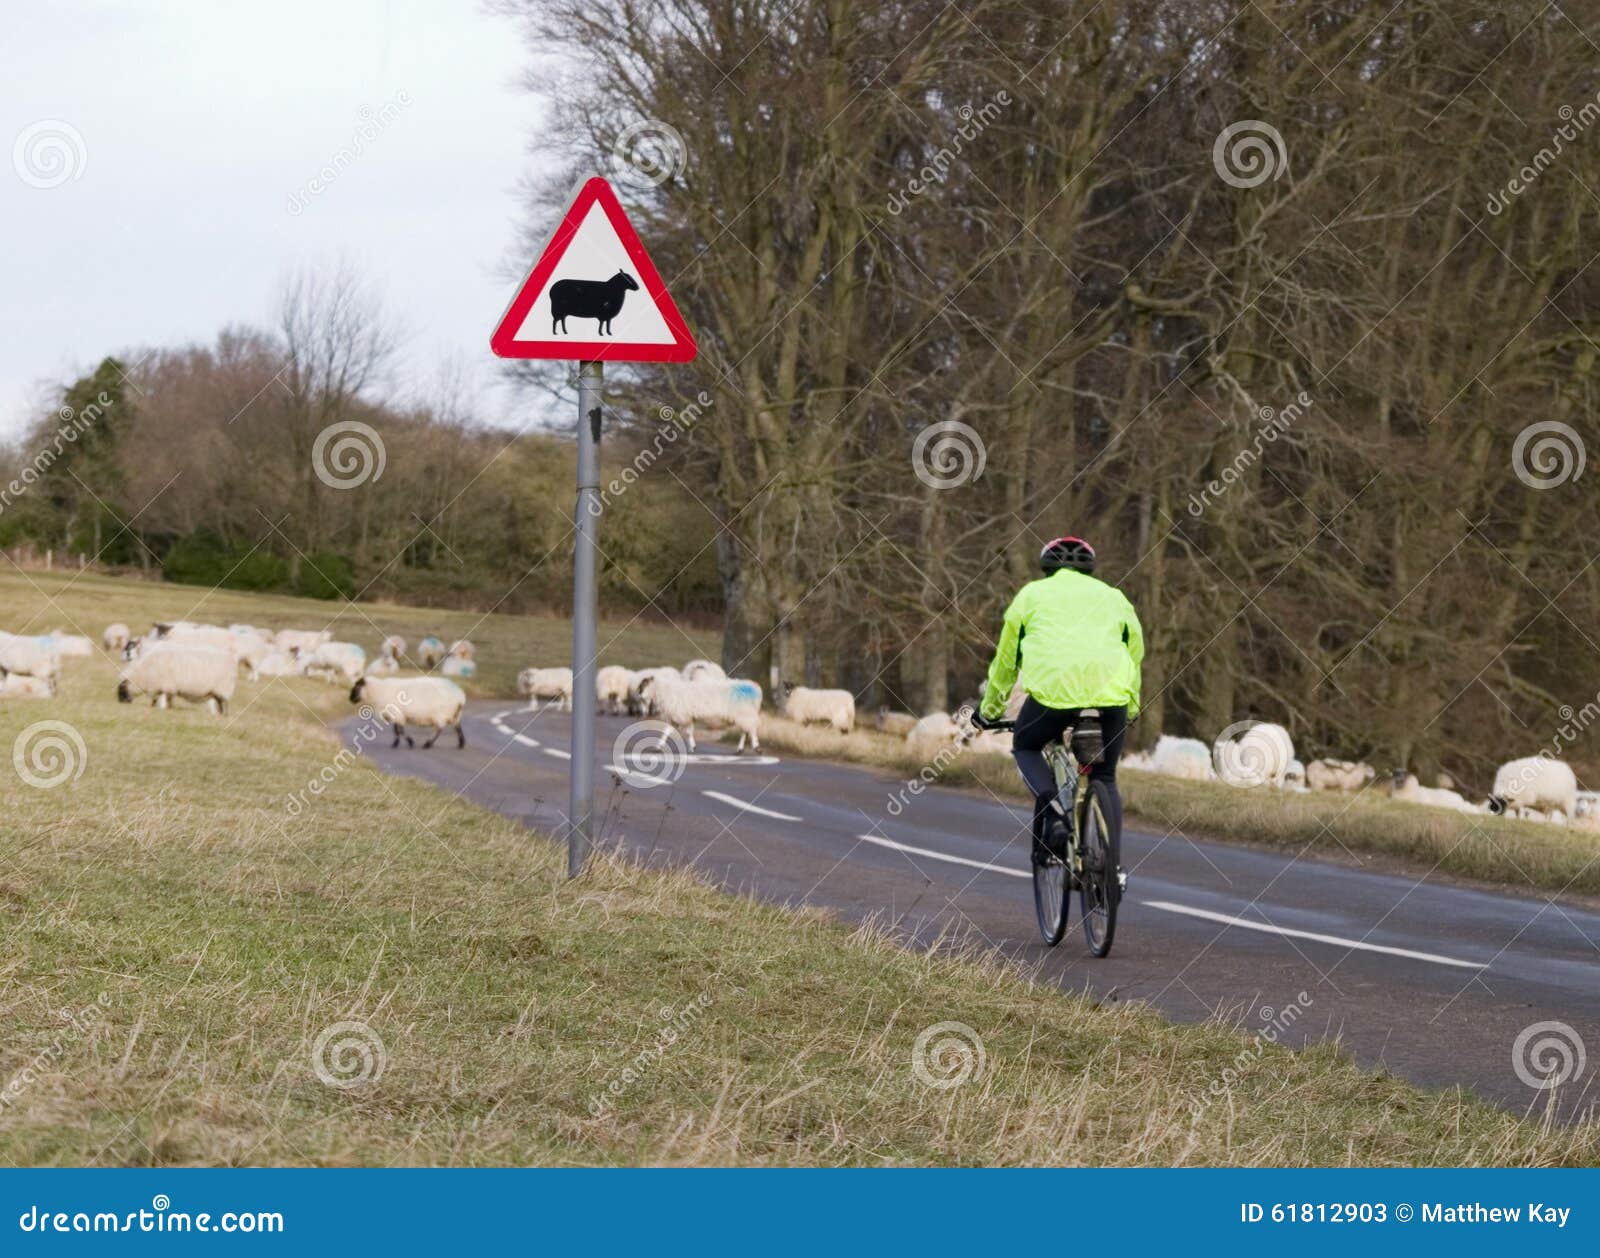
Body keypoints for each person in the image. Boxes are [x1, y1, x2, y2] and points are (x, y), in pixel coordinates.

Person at [975, 536, 1144, 866]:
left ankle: (1053, 812)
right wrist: (1131, 706)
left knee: (1025, 745)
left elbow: (1006, 660)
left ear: (1047, 567)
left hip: (1053, 696)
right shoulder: (1114, 597)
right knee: (1105, 777)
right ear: (1089, 569)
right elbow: (1134, 654)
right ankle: (1111, 870)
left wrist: (990, 710)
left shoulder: (1031, 595)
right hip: (1111, 698)